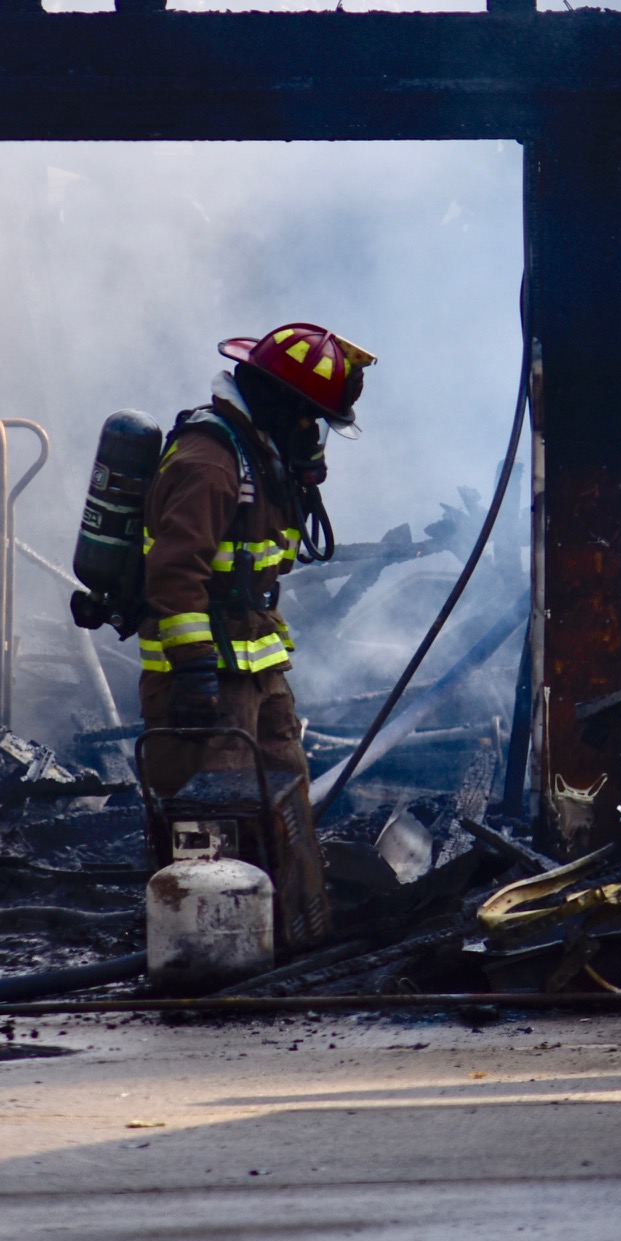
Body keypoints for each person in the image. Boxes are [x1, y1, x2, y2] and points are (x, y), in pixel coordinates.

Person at [138, 321, 374, 947]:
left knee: (281, 803)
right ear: (280, 405)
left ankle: (294, 935)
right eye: (310, 419)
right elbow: (173, 574)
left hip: (258, 671)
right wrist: (191, 674)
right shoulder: (210, 463)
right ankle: (213, 952)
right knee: (217, 829)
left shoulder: (257, 459)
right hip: (205, 682)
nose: (312, 434)